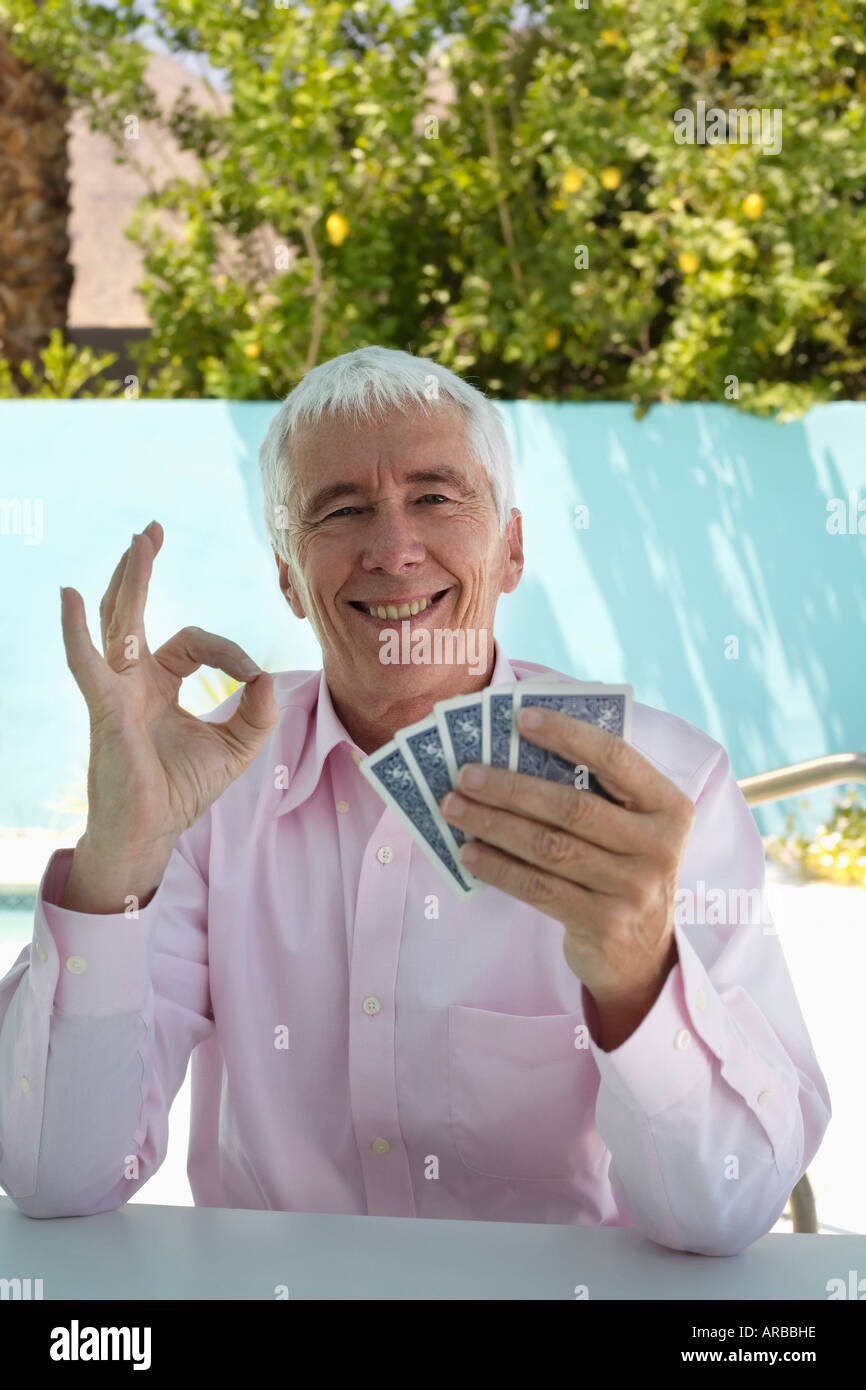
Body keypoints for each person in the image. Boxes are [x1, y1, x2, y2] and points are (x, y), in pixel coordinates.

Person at [0, 347, 830, 1254]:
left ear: (511, 549)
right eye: (342, 509)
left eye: (436, 497)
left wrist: (637, 980)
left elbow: (730, 1213)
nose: (393, 549)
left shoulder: (667, 785)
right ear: (288, 576)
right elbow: (55, 1177)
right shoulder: (211, 788)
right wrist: (119, 856)